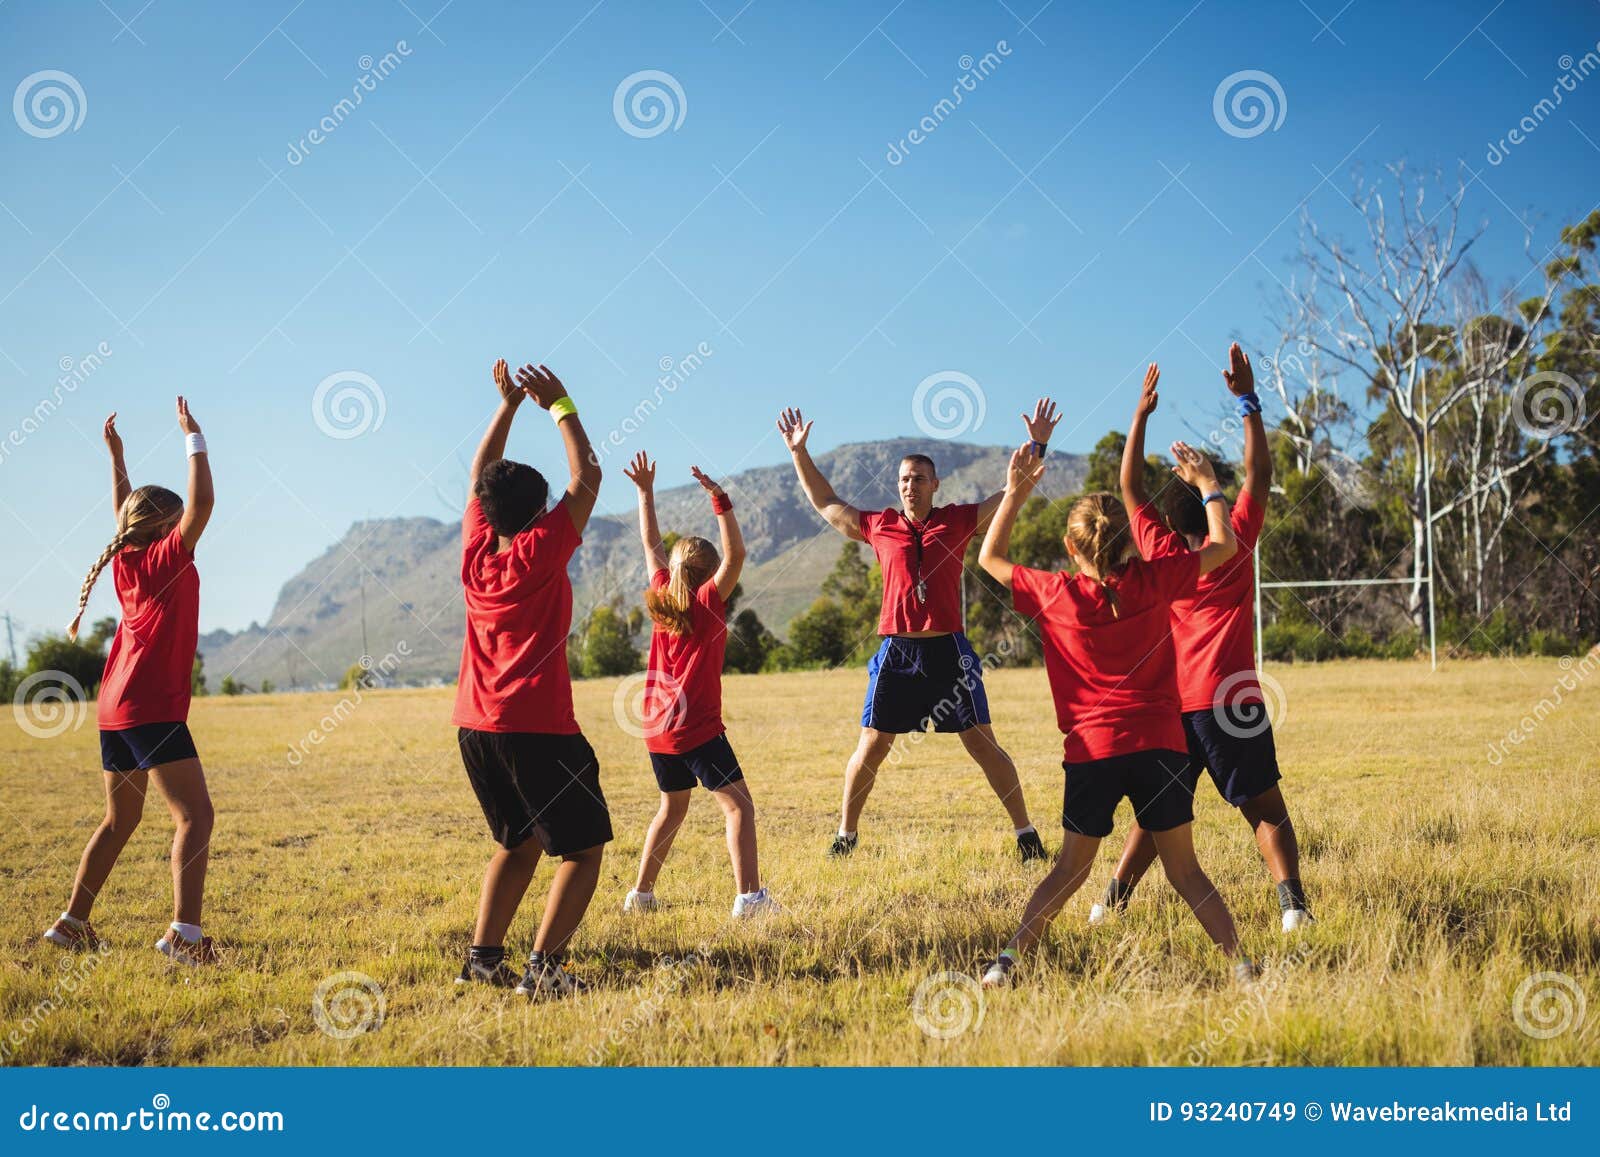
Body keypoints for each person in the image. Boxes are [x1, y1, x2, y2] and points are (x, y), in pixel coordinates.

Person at [975, 435, 1257, 988]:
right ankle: (1244, 968)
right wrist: (1209, 488)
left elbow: (989, 558)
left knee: (1070, 870)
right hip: (1161, 746)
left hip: (1092, 753)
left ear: (1069, 546)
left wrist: (1016, 492)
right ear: (1131, 542)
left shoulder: (1055, 592)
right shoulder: (1156, 578)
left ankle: (1006, 962)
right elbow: (1223, 546)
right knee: (1186, 872)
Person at [1090, 350, 1313, 933]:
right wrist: (1247, 403)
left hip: (1171, 706)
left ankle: (1108, 904)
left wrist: (1140, 414)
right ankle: (1293, 908)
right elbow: (1260, 476)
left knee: (1156, 814)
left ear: (1168, 518)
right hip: (1233, 699)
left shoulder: (1161, 556)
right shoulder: (1234, 539)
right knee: (1265, 810)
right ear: (1214, 502)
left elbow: (1129, 486)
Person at [776, 404, 1058, 862]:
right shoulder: (879, 525)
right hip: (897, 654)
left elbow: (1014, 492)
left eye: (919, 478)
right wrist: (798, 453)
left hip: (948, 651)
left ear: (935, 484)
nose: (911, 484)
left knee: (983, 744)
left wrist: (1038, 445)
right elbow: (826, 502)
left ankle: (1026, 835)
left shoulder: (959, 520)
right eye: (905, 478)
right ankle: (845, 837)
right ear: (898, 486)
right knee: (872, 745)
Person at [43, 399, 218, 966]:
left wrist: (117, 457)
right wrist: (195, 439)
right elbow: (205, 503)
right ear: (168, 528)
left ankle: (72, 924)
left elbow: (125, 511)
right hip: (151, 707)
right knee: (195, 817)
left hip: (114, 706)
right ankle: (185, 938)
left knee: (121, 819)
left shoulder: (124, 558)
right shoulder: (168, 556)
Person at [453, 359, 608, 997]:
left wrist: (509, 406)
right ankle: (544, 972)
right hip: (537, 727)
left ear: (486, 510)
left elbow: (476, 476)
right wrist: (561, 405)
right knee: (583, 848)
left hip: (475, 728)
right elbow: (589, 476)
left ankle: (484, 959)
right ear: (539, 512)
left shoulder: (475, 548)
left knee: (516, 844)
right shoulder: (540, 548)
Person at [618, 450, 775, 918]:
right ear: (708, 575)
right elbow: (739, 554)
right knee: (739, 809)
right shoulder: (708, 601)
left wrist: (645, 492)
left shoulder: (662, 594)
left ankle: (640, 896)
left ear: (677, 566)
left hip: (657, 729)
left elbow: (650, 546)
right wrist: (721, 499)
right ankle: (750, 900)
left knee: (672, 809)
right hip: (696, 728)